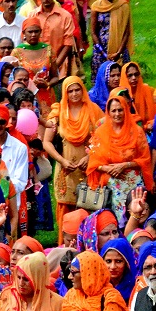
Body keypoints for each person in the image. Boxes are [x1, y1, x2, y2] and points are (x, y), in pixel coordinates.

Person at [43, 76, 102, 235]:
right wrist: (61, 160)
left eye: (77, 90)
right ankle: (66, 248)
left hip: (88, 168)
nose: (75, 94)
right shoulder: (59, 112)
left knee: (88, 207)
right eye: (70, 91)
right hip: (65, 170)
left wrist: (90, 157)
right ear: (65, 93)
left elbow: (104, 137)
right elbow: (46, 142)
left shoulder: (93, 110)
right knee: (66, 209)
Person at [86, 91, 153, 227]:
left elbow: (145, 158)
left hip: (133, 184)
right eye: (114, 111)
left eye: (120, 110)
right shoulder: (101, 132)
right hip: (111, 184)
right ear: (108, 112)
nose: (117, 114)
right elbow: (93, 161)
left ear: (126, 109)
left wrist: (124, 165)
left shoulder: (136, 132)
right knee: (116, 222)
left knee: (138, 216)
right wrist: (108, 168)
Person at [89, 0, 132, 79]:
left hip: (119, 50)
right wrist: (103, 53)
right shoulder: (96, 7)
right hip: (101, 51)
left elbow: (126, 32)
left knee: (121, 79)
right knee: (102, 80)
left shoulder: (123, 6)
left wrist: (119, 52)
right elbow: (93, 32)